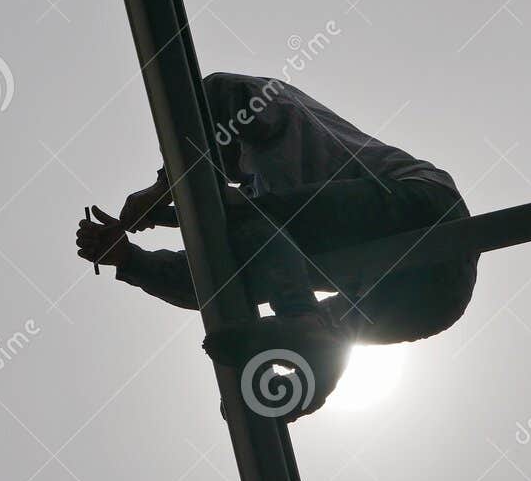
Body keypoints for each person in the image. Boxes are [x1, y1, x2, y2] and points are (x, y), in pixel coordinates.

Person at [75, 72, 477, 417]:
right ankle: (317, 352)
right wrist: (129, 259)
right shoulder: (260, 206)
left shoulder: (276, 114)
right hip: (426, 299)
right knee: (245, 245)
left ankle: (308, 329)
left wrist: (165, 187)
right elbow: (215, 274)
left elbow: (216, 94)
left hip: (422, 205)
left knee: (252, 223)